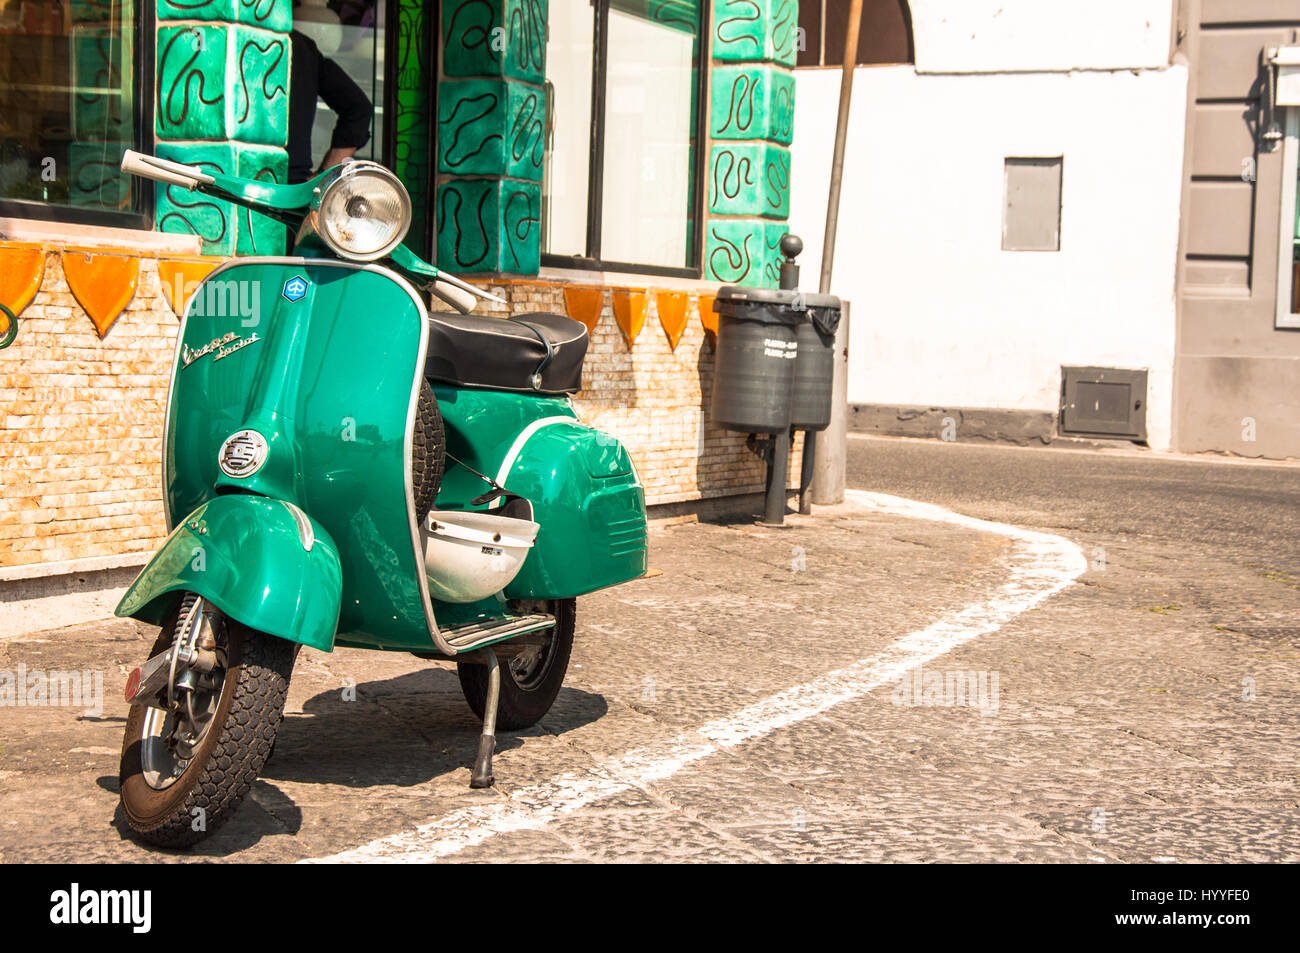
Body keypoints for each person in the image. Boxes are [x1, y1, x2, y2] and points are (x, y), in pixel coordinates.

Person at [287, 28, 373, 183]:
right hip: (291, 187)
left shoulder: (301, 47)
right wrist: (325, 177)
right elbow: (359, 108)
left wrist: (325, 175)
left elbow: (359, 108)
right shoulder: (300, 45)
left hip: (237, 179)